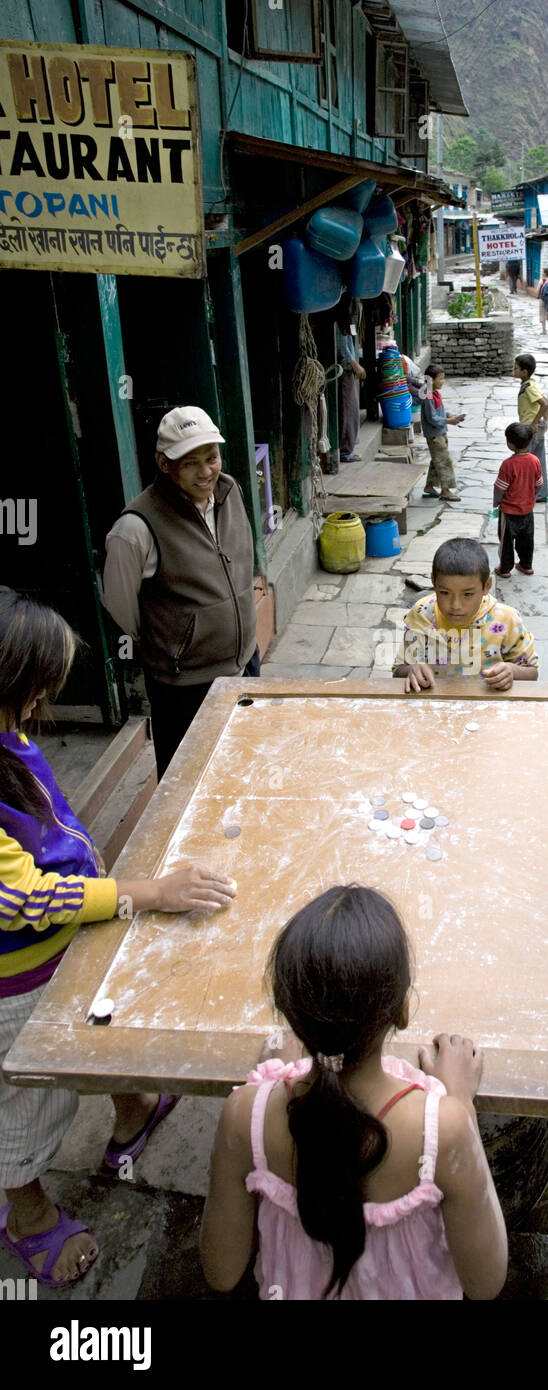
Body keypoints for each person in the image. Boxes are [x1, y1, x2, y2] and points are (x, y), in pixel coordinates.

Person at [0, 588, 236, 1288]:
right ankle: (27, 1210)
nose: (46, 700)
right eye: (38, 685)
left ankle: (132, 1109)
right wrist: (144, 895)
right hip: (17, 982)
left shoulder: (8, 737)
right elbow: (17, 897)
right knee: (31, 1093)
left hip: (63, 942)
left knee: (101, 1027)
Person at [200, 884, 508, 1300]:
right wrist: (460, 1103)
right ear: (401, 1010)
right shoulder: (440, 1130)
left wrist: (269, 1080)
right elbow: (486, 1283)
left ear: (289, 1015)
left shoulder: (246, 1116)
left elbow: (221, 1271)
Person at [103, 406, 259, 781]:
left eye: (212, 458)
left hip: (245, 664)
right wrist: (174, 643)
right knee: (187, 780)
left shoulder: (230, 491)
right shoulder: (136, 528)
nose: (206, 472)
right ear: (164, 463)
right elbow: (121, 607)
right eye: (191, 463)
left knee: (246, 764)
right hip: (184, 685)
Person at [392, 538, 539, 692]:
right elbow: (398, 670)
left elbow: (532, 672)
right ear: (434, 581)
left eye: (468, 594)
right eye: (444, 592)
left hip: (488, 710)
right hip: (433, 708)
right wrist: (411, 670)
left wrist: (512, 671)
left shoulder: (506, 620)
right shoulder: (421, 614)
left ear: (486, 586)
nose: (456, 605)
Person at [493, 422, 543, 578]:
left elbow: (500, 488)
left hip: (509, 512)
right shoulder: (535, 460)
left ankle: (505, 569)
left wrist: (496, 503)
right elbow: (539, 484)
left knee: (506, 542)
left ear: (510, 443)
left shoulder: (508, 465)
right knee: (527, 539)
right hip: (527, 510)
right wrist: (530, 497)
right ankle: (526, 565)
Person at [420, 365, 465, 503]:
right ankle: (446, 490)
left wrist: (451, 415)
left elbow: (438, 412)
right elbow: (432, 418)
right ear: (431, 380)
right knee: (444, 461)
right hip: (434, 434)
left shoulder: (435, 393)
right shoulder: (428, 395)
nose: (443, 381)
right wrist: (449, 421)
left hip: (440, 431)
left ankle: (429, 486)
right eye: (441, 378)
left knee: (437, 460)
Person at [514, 354, 548, 504]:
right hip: (532, 426)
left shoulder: (529, 387)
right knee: (537, 460)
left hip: (530, 428)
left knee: (529, 460)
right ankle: (539, 493)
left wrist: (535, 423)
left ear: (525, 371)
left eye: (516, 368)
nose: (513, 370)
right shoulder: (528, 385)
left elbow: (544, 404)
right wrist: (544, 421)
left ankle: (534, 493)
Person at [336, 299, 365, 462]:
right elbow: (341, 345)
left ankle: (347, 448)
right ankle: (345, 451)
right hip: (344, 369)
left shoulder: (345, 321)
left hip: (348, 368)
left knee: (350, 409)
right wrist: (353, 363)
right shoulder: (339, 320)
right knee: (348, 409)